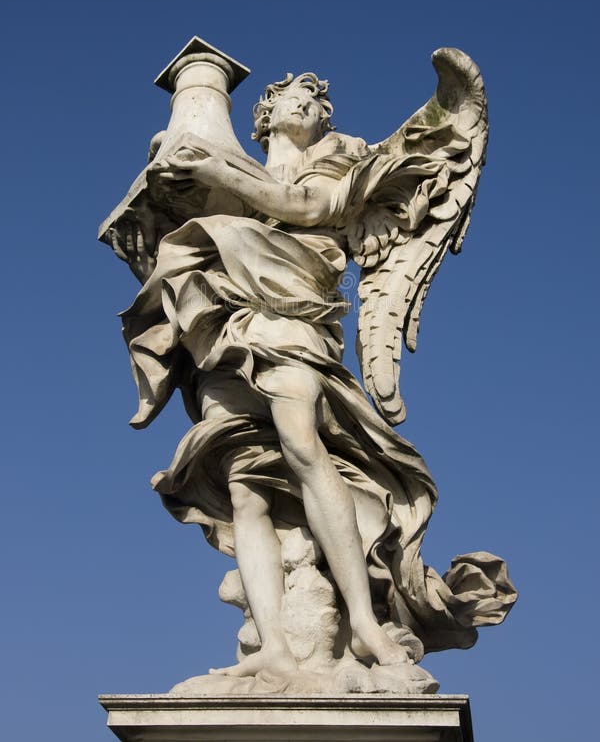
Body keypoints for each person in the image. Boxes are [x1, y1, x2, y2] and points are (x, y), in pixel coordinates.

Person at [120, 72, 514, 677]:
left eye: (315, 102)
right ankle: (273, 649)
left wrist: (217, 176)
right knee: (244, 487)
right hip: (227, 323)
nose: (305, 106)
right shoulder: (233, 170)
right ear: (264, 115)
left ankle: (362, 623)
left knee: (304, 445)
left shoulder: (338, 158)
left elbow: (309, 208)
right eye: (289, 99)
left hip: (293, 316)